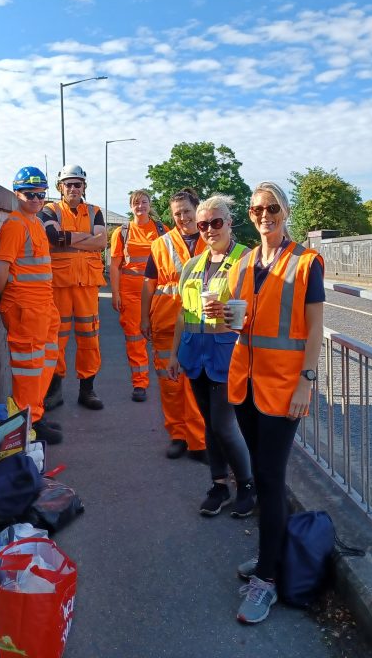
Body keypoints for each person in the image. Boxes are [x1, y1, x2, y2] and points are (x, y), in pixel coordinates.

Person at [224, 181, 325, 625]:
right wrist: (223, 315)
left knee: (269, 475)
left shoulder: (306, 263)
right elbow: (241, 318)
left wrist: (307, 382)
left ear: (285, 212)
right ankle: (272, 553)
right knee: (265, 479)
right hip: (245, 383)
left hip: (284, 387)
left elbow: (314, 328)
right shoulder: (245, 261)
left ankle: (266, 578)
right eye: (256, 209)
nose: (264, 215)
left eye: (272, 208)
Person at [167, 194, 255, 517]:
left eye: (216, 223)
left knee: (223, 423)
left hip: (227, 357)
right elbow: (182, 314)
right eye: (203, 224)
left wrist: (226, 314)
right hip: (195, 356)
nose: (208, 229)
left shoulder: (245, 260)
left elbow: (253, 312)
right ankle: (219, 485)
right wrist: (174, 355)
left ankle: (246, 484)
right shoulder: (193, 265)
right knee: (209, 423)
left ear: (230, 223)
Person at [0, 166, 63, 445]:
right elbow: (1, 269)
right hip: (24, 307)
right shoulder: (15, 224)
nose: (35, 199)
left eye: (40, 194)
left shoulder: (34, 222)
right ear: (16, 193)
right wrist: (2, 298)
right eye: (29, 194)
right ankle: (26, 429)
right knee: (28, 369)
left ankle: (35, 415)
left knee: (43, 365)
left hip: (43, 306)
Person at [140, 189, 207, 460]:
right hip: (167, 322)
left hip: (201, 324)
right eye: (177, 213)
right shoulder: (160, 244)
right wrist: (144, 317)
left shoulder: (212, 238)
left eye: (186, 211)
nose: (182, 217)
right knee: (170, 384)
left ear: (197, 209)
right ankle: (178, 435)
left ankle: (198, 440)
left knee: (196, 384)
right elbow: (148, 285)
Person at [39, 164, 108, 410]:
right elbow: (53, 239)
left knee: (89, 338)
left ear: (84, 187)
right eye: (68, 184)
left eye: (77, 184)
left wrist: (68, 238)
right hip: (59, 284)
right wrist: (85, 239)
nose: (73, 188)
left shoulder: (96, 211)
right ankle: (54, 391)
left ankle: (87, 390)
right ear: (60, 187)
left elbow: (102, 242)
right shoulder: (50, 210)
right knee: (56, 339)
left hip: (87, 285)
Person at [109, 190, 165, 402]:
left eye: (144, 202)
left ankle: (166, 378)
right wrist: (115, 293)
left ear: (150, 204)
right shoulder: (122, 232)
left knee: (161, 336)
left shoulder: (161, 230)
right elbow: (114, 266)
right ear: (131, 207)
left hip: (157, 291)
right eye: (136, 203)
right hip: (130, 292)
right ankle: (140, 383)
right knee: (135, 338)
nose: (140, 206)